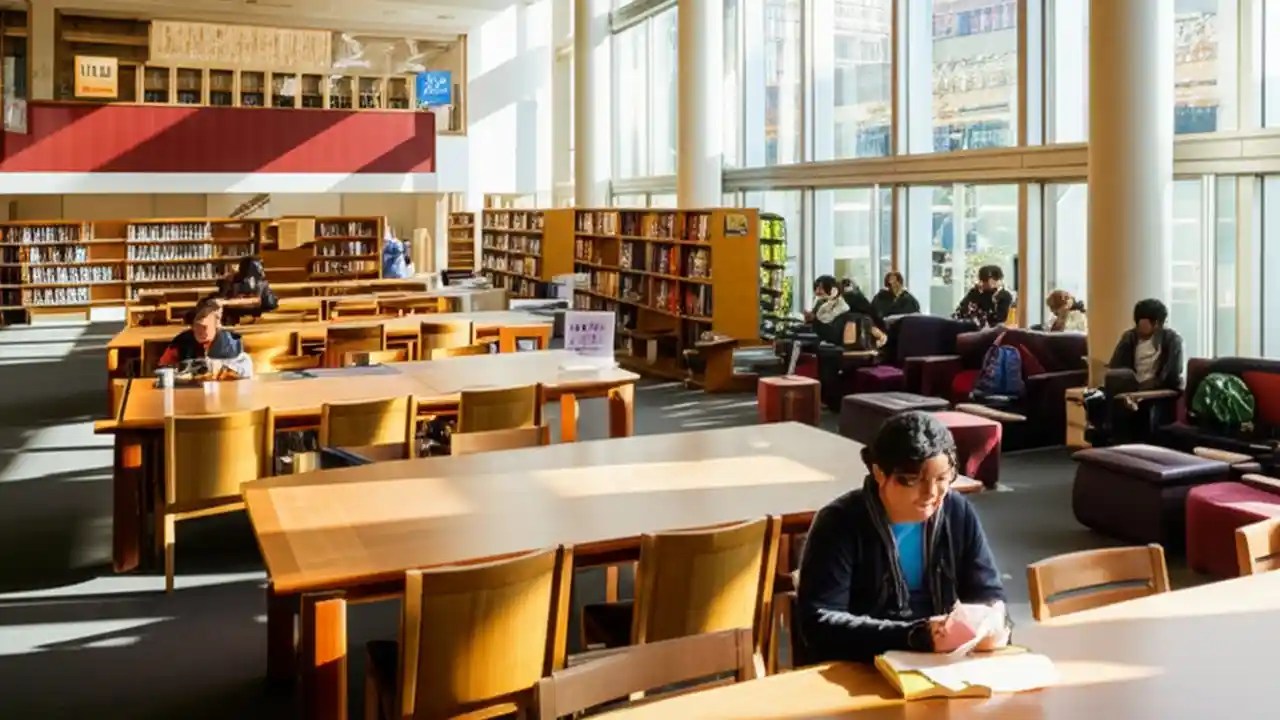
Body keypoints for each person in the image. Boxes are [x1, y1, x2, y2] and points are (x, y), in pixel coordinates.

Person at [796, 412, 1009, 664]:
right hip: (862, 666)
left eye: (942, 479)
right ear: (879, 473)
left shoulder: (957, 513)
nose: (931, 493)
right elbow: (820, 624)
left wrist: (991, 621)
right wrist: (915, 636)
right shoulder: (839, 523)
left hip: (945, 664)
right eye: (912, 481)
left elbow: (987, 593)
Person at [157, 298, 254, 379]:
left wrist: (223, 369)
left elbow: (246, 371)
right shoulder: (182, 342)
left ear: (216, 325)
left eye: (204, 327)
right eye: (196, 326)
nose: (199, 331)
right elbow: (163, 367)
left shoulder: (231, 343)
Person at [215, 256, 278, 325]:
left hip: (251, 306)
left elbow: (257, 300)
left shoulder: (261, 282)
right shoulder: (233, 279)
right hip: (235, 306)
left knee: (269, 301)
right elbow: (223, 297)